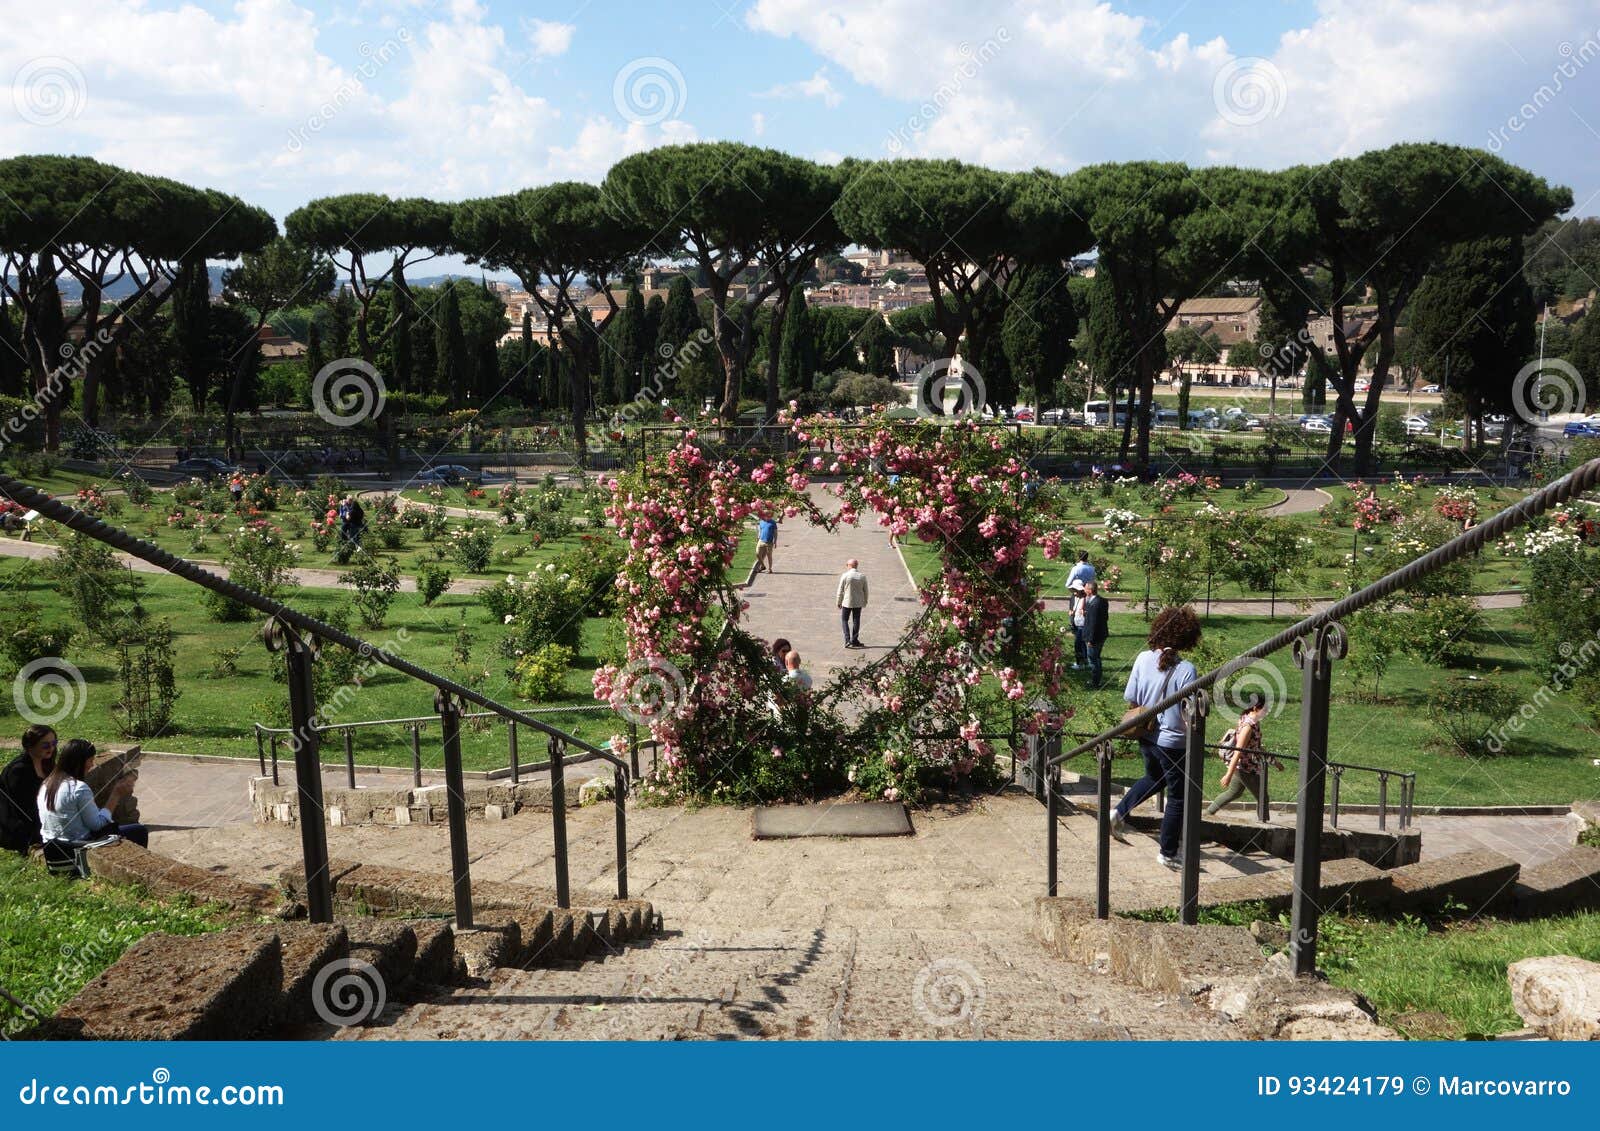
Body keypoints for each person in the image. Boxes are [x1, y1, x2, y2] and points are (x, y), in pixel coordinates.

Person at [1108, 606, 1202, 870]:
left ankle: (1118, 812)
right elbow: (1189, 713)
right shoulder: (1187, 669)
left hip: (1146, 734)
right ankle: (1168, 852)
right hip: (1173, 742)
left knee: (1154, 777)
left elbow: (1131, 698)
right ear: (1187, 637)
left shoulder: (1142, 659)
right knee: (1178, 797)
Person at [38, 739, 147, 849]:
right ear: (80, 763)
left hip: (51, 847)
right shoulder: (78, 788)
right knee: (139, 831)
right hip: (78, 846)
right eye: (90, 760)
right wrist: (116, 794)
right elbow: (97, 825)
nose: (91, 765)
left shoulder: (46, 784)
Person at [1206, 694, 1278, 816]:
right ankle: (1264, 824)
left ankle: (1207, 813)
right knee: (1263, 797)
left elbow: (1256, 747)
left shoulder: (1251, 721)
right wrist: (1228, 775)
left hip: (1245, 765)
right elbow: (1238, 751)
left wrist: (1275, 762)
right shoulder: (1248, 727)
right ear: (1255, 708)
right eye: (1265, 710)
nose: (1266, 712)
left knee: (1234, 792)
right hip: (1244, 767)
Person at [0, 725, 56, 854]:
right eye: (45, 745)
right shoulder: (18, 771)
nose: (51, 748)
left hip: (40, 818)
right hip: (19, 828)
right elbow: (21, 810)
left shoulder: (47, 762)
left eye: (54, 743)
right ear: (30, 746)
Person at [1081, 580, 1109, 690]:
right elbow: (1105, 617)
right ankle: (1097, 679)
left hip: (1095, 637)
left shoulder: (1095, 604)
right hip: (1102, 634)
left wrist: (1090, 640)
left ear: (1090, 590)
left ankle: (1095, 681)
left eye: (1085, 588)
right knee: (1096, 658)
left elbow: (1093, 624)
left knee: (1093, 659)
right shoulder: (1102, 601)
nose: (1084, 590)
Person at [836, 558, 869, 649]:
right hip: (858, 602)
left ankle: (847, 640)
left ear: (849, 566)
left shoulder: (845, 576)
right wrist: (865, 601)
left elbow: (840, 590)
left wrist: (838, 601)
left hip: (847, 602)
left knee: (844, 620)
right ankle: (854, 640)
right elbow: (866, 590)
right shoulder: (862, 576)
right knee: (856, 620)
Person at [1068, 579, 1088, 668]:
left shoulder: (1085, 599)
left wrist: (1085, 612)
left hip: (1083, 624)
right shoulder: (1074, 597)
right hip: (1076, 623)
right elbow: (1072, 607)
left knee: (1078, 644)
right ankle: (1084, 661)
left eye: (1076, 590)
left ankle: (1080, 662)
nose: (1074, 592)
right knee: (1082, 643)